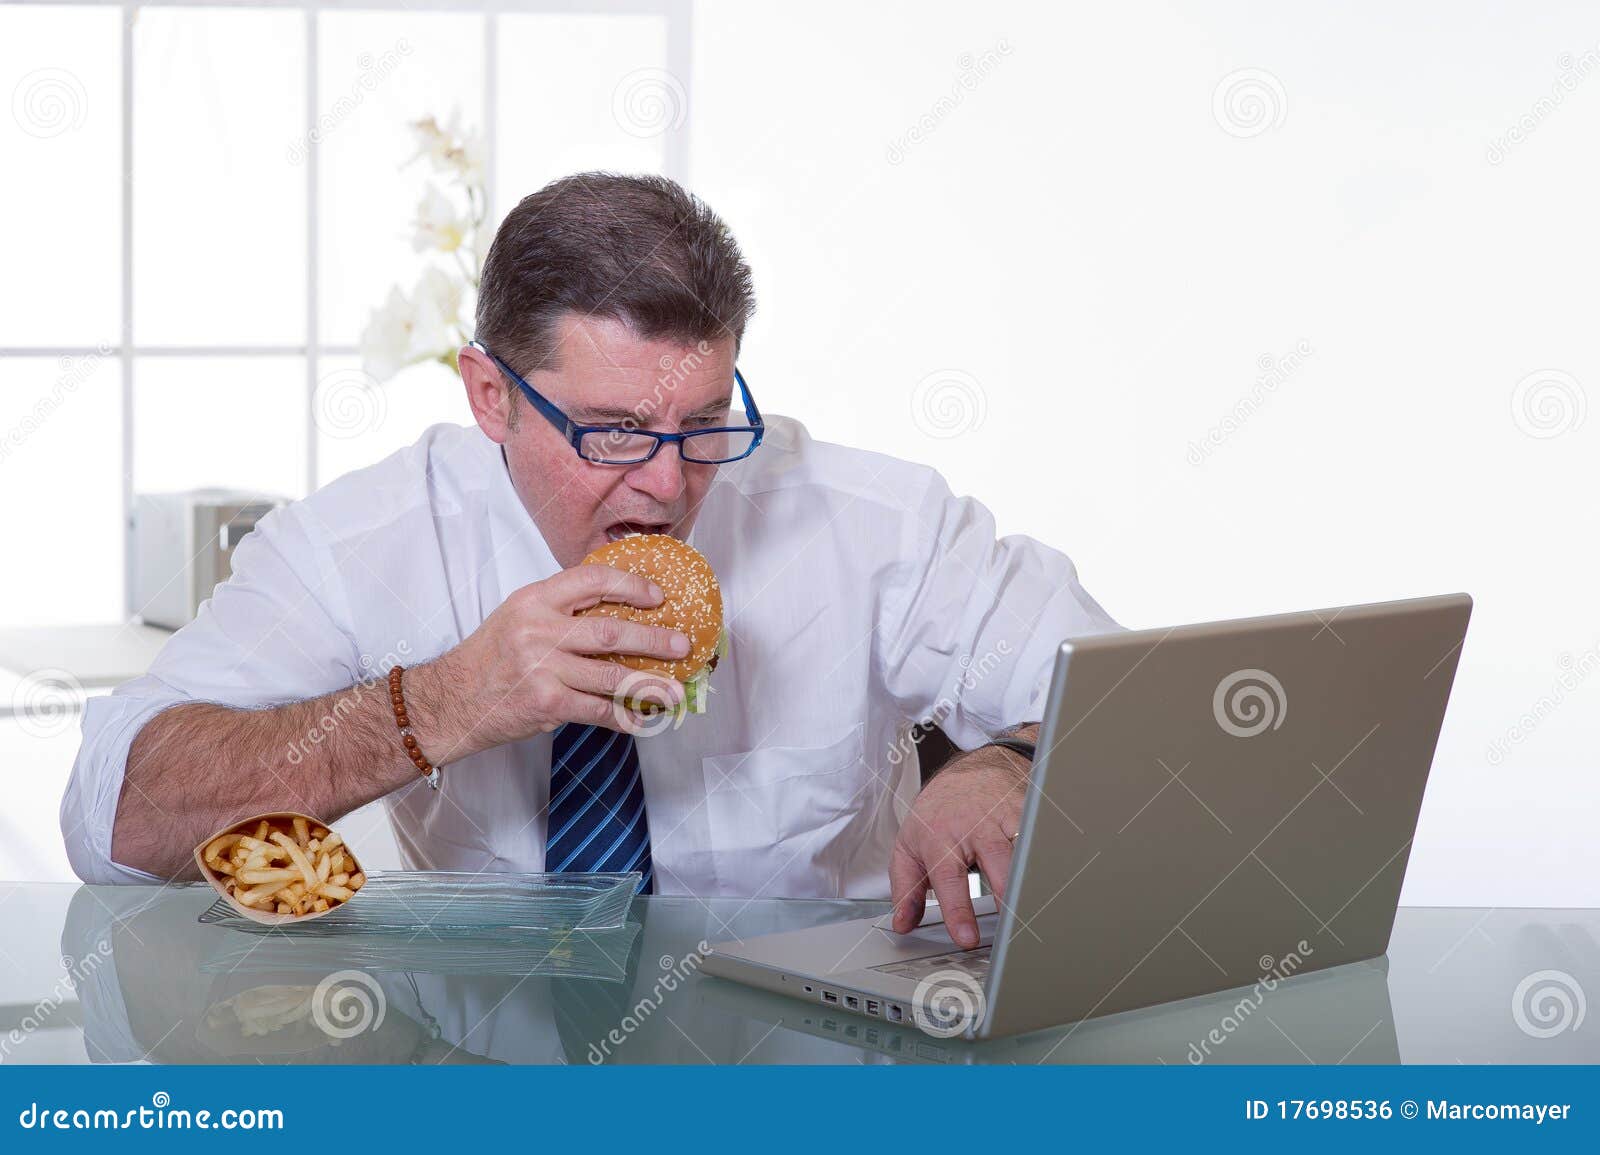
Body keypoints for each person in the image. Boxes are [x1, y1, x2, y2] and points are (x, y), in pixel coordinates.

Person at [61, 173, 1123, 950]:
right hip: (484, 1065)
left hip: (804, 1060)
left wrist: (1007, 763)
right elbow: (113, 821)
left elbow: (1138, 704)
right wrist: (436, 704)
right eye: (612, 431)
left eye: (703, 422)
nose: (666, 485)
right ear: (491, 397)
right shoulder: (362, 542)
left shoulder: (875, 524)